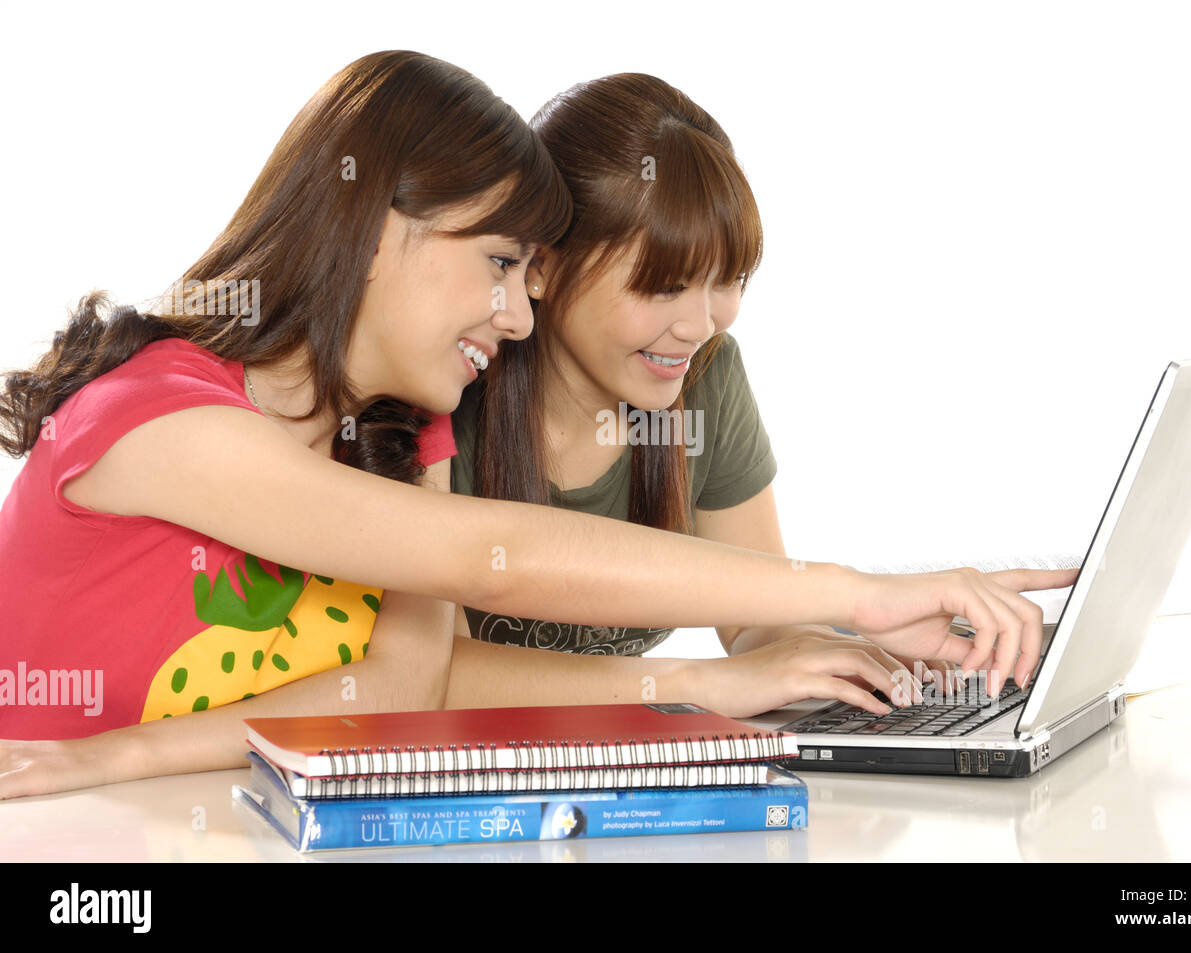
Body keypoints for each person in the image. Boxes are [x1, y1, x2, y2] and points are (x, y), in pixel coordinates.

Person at [0, 51, 1075, 799]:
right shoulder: (161, 420)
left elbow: (399, 688)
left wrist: (131, 756)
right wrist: (855, 594)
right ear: (379, 231)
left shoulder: (404, 428)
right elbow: (492, 561)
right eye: (503, 266)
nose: (517, 315)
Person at [451, 72, 962, 694]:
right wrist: (701, 683)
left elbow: (756, 623)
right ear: (545, 270)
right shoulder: (449, 385)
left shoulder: (709, 373)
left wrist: (836, 656)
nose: (699, 325)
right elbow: (433, 675)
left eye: (727, 279)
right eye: (663, 286)